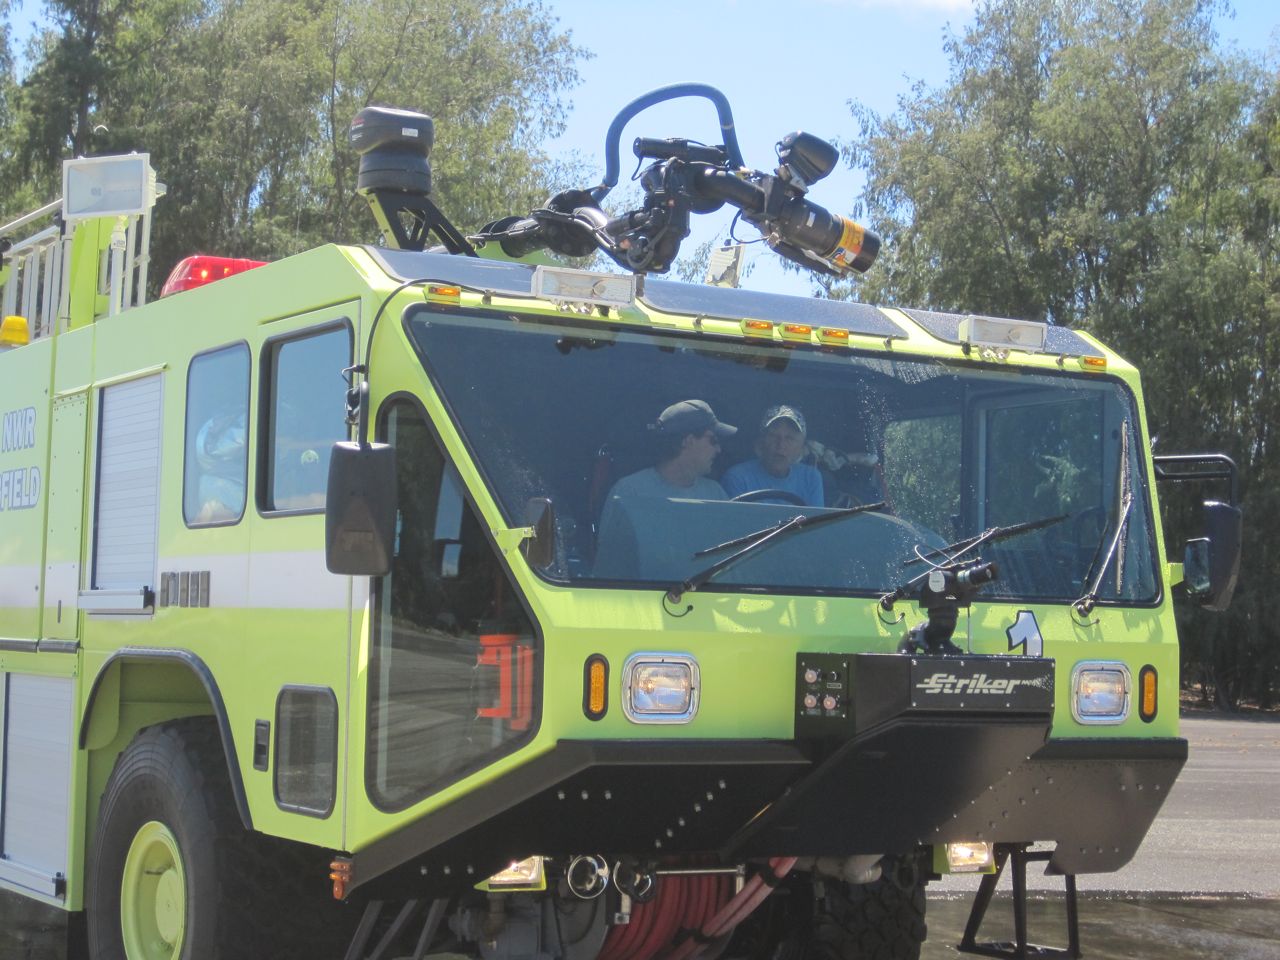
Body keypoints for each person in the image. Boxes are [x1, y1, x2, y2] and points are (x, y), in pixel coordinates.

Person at [606, 399, 737, 505]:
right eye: (713, 440)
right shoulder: (629, 491)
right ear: (689, 441)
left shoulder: (715, 493)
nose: (718, 449)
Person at [722, 404, 824, 506]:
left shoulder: (811, 478)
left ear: (801, 448)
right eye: (773, 436)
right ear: (760, 443)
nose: (781, 445)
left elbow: (818, 521)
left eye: (789, 438)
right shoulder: (738, 478)